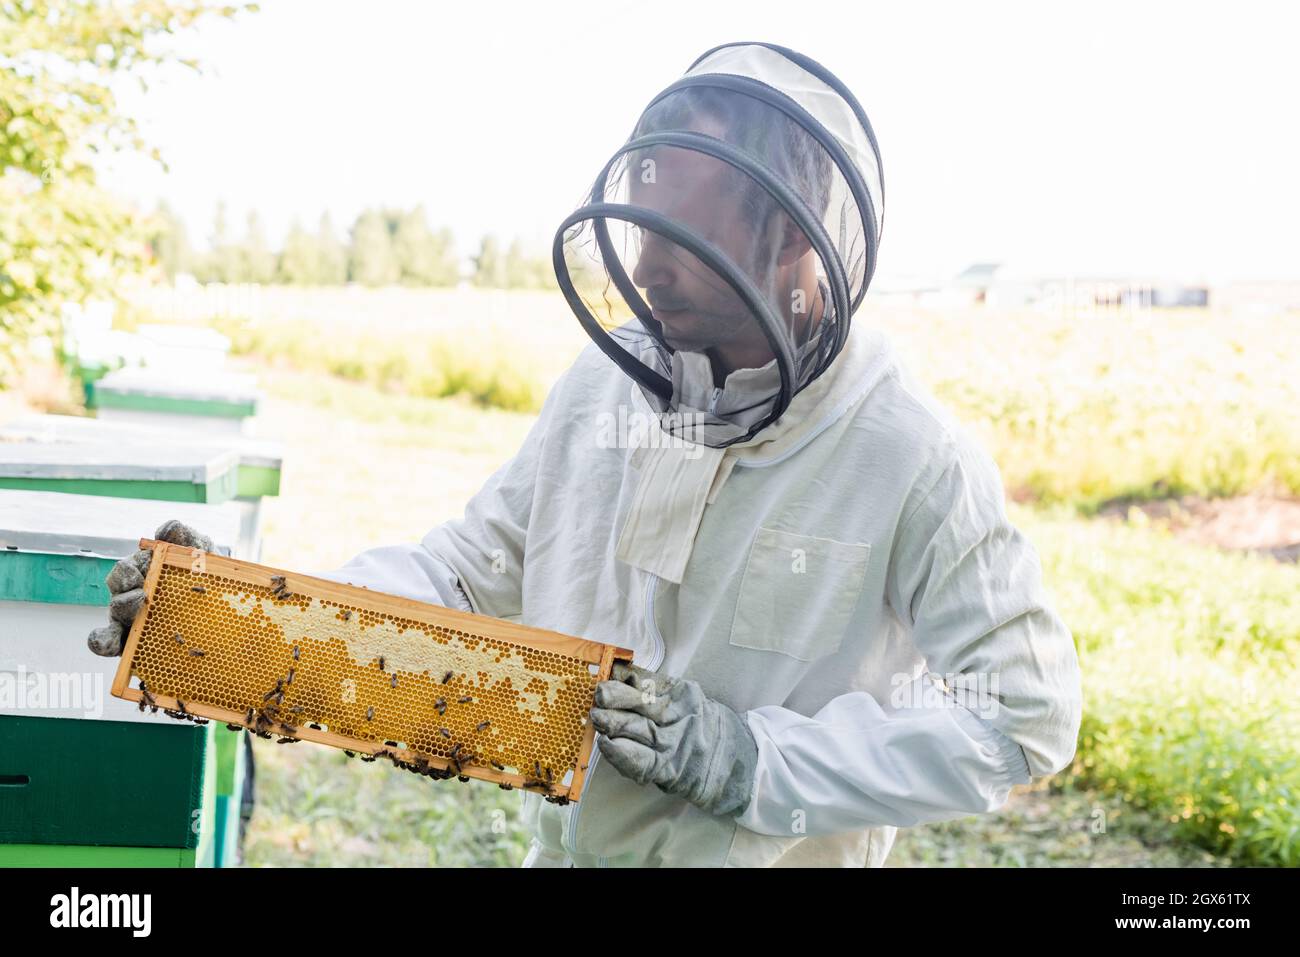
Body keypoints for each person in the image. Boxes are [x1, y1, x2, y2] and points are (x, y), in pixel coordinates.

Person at [90, 41, 1082, 868]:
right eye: (644, 225)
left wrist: (752, 761)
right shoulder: (607, 386)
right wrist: (244, 625)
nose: (645, 266)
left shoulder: (907, 456)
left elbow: (1024, 718)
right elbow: (471, 569)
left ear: (792, 241)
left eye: (685, 236)